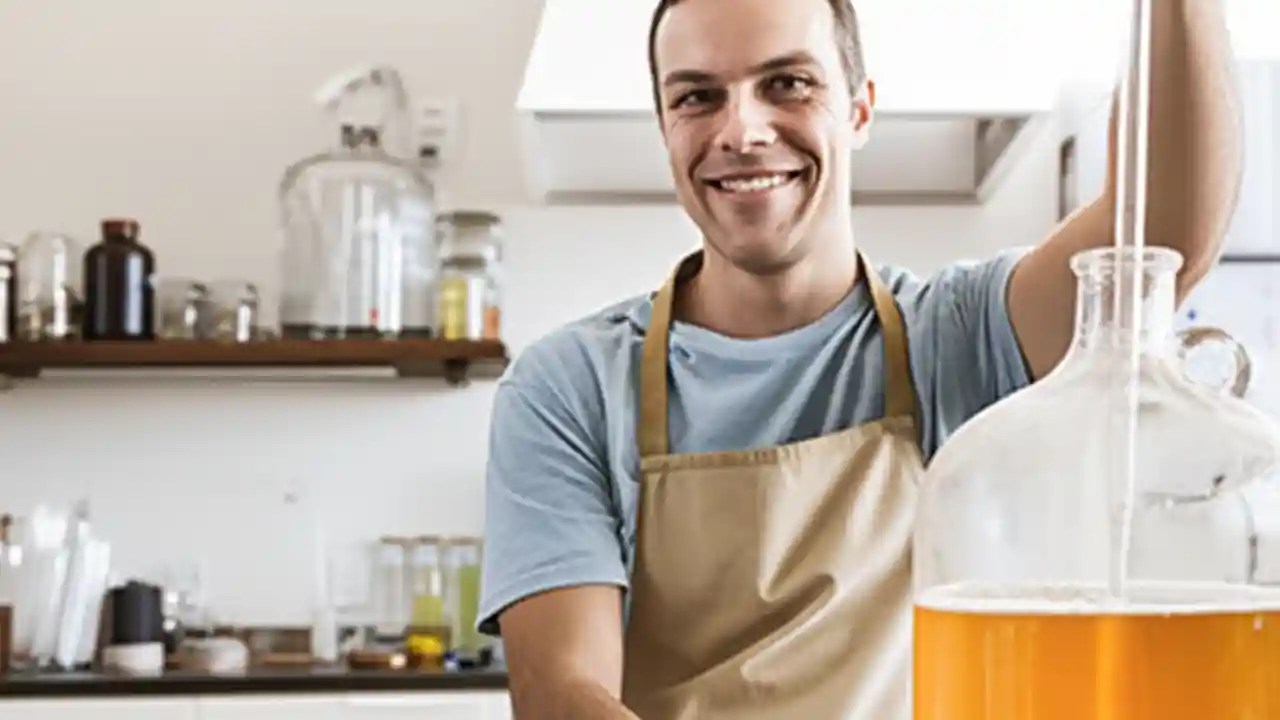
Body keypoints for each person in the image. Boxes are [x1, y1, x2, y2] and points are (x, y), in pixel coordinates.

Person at [478, 0, 1242, 717]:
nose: (741, 130)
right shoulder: (570, 385)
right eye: (698, 97)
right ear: (664, 128)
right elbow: (562, 691)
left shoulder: (958, 338)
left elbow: (1162, 231)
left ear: (859, 109)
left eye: (787, 83)